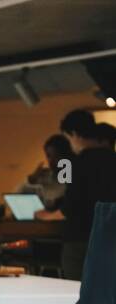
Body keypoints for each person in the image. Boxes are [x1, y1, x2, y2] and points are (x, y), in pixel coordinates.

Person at [33, 110, 116, 279]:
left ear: (74, 134)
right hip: (110, 237)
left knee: (76, 291)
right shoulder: (112, 160)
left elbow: (70, 207)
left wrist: (46, 215)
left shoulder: (78, 163)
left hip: (81, 240)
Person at [23, 134, 74, 210]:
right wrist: (32, 179)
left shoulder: (75, 176)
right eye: (49, 156)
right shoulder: (45, 177)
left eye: (56, 156)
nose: (51, 161)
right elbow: (18, 193)